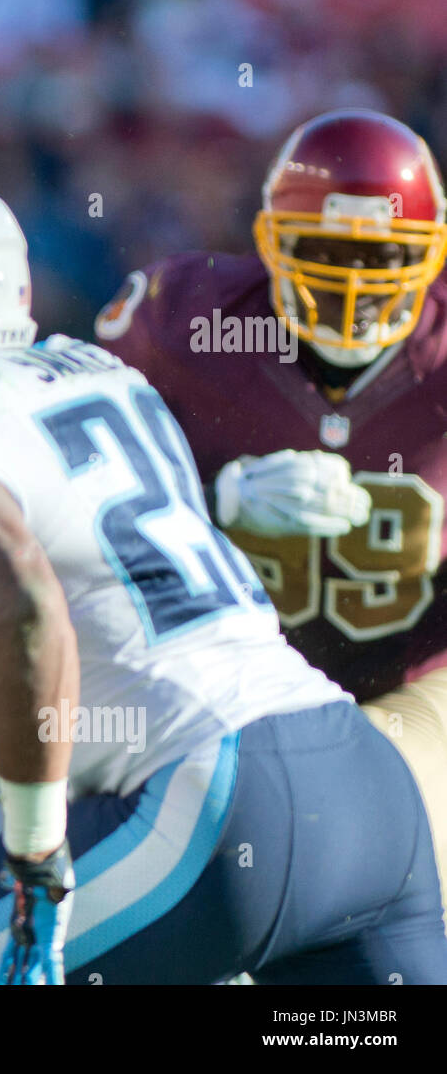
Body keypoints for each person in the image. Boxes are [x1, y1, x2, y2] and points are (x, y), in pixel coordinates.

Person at [0, 158, 447, 983]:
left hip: (215, 799)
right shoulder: (102, 374)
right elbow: (58, 675)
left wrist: (35, 858)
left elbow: (21, 607)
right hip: (365, 793)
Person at [93, 108, 447, 899]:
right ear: (268, 239)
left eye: (384, 255)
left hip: (411, 683)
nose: (352, 285)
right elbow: (71, 496)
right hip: (216, 687)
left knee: (376, 838)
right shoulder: (185, 322)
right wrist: (213, 499)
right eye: (322, 251)